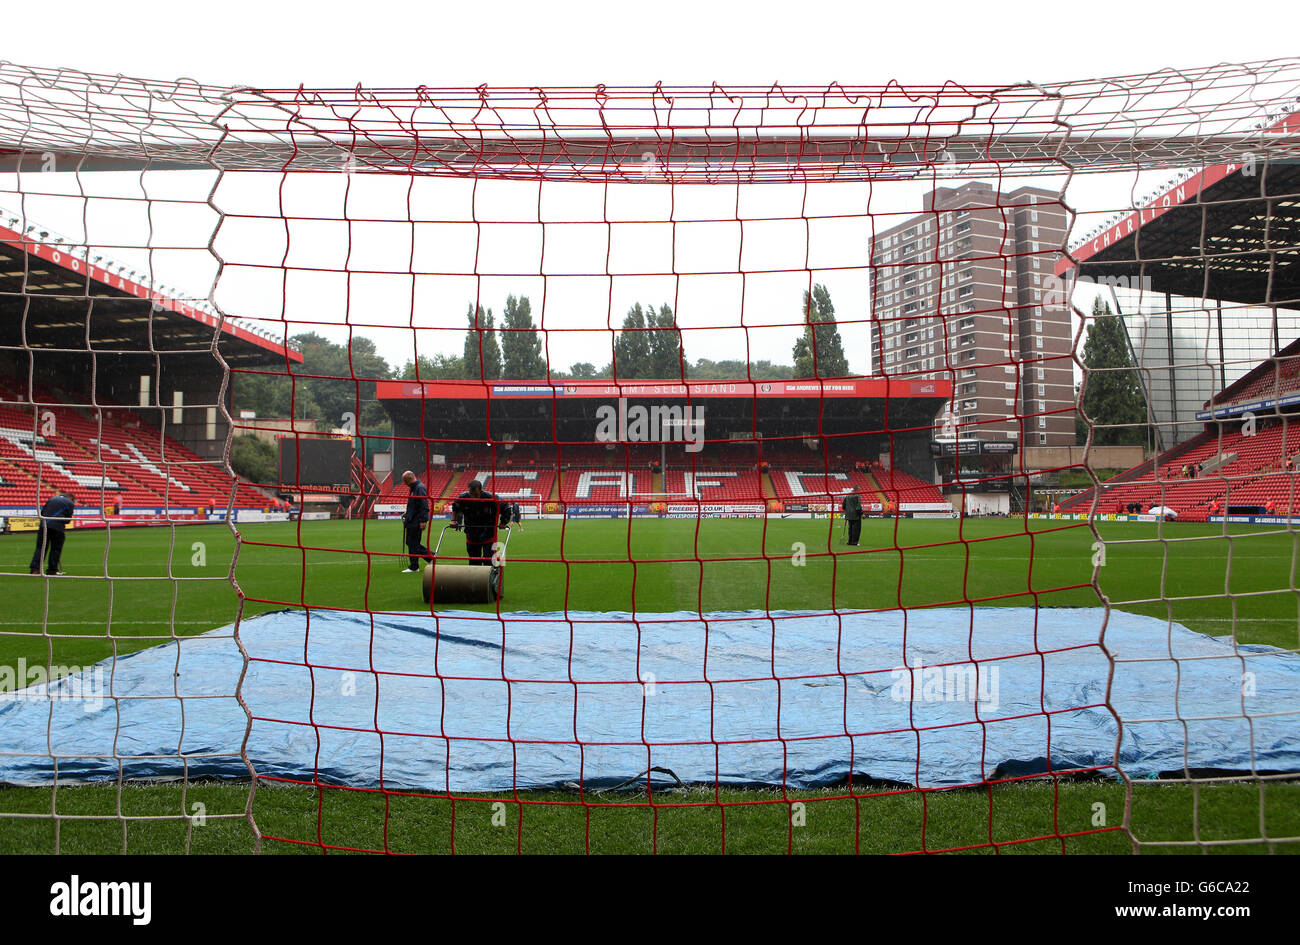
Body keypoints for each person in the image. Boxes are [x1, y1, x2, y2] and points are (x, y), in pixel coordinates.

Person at [451, 479, 502, 566]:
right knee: (474, 560)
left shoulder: (491, 497)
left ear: (481, 491)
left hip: (488, 532)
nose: (473, 497)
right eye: (471, 494)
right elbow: (455, 507)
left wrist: (503, 522)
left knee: (489, 559)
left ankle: (490, 577)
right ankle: (474, 578)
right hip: (471, 532)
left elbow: (505, 508)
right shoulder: (463, 497)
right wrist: (453, 520)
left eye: (475, 494)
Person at [30, 490, 75, 575]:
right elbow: (67, 520)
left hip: (44, 526)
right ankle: (52, 570)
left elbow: (42, 512)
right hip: (57, 527)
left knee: (41, 548)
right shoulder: (69, 503)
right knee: (55, 549)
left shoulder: (52, 499)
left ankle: (35, 569)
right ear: (71, 498)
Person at [400, 470, 430, 573]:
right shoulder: (414, 488)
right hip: (412, 519)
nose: (404, 483)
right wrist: (407, 513)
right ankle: (430, 557)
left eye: (405, 481)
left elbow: (423, 505)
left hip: (416, 521)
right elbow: (415, 504)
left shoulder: (419, 488)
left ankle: (415, 566)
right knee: (411, 542)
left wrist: (423, 520)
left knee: (413, 543)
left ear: (410, 478)